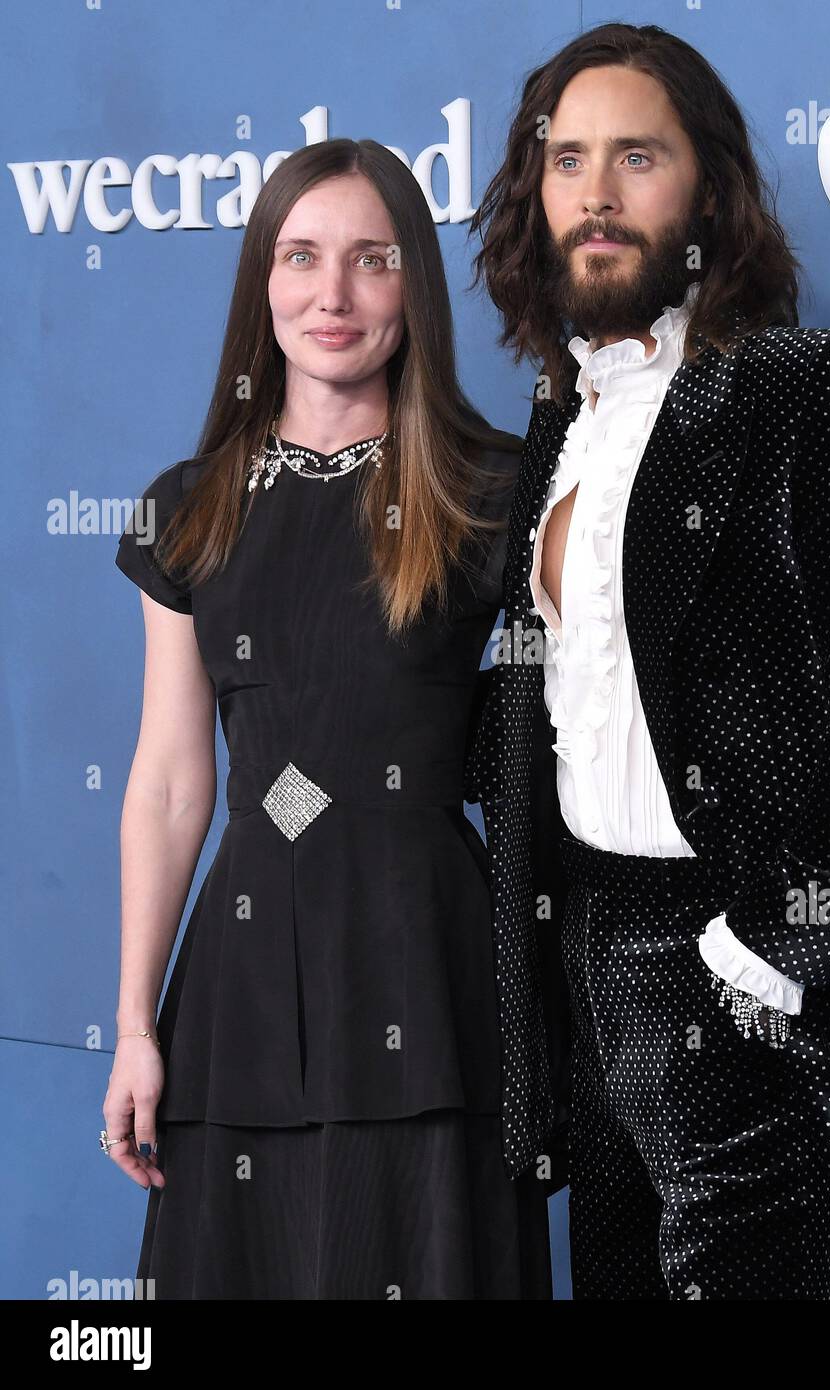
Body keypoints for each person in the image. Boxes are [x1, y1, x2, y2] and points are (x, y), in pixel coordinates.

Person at [466, 22, 830, 1298]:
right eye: (564, 159)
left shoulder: (818, 388)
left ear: (708, 186)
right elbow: (556, 703)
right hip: (582, 958)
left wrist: (767, 946)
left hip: (730, 954)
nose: (593, 191)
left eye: (635, 155)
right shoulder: (558, 419)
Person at [105, 137, 553, 1299]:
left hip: (429, 966)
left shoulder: (496, 487)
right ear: (263, 281)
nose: (332, 294)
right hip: (243, 978)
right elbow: (166, 781)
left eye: (372, 259)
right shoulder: (190, 508)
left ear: (415, 285)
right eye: (300, 256)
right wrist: (136, 1025)